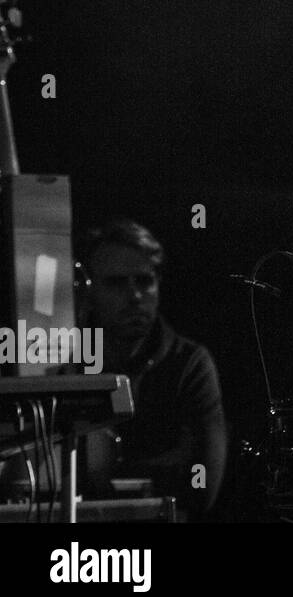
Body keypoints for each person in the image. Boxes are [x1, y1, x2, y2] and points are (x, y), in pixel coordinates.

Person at [80, 219, 227, 518]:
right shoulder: (64, 359)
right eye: (116, 282)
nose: (134, 296)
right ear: (88, 289)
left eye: (144, 281)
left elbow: (202, 490)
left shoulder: (189, 364)